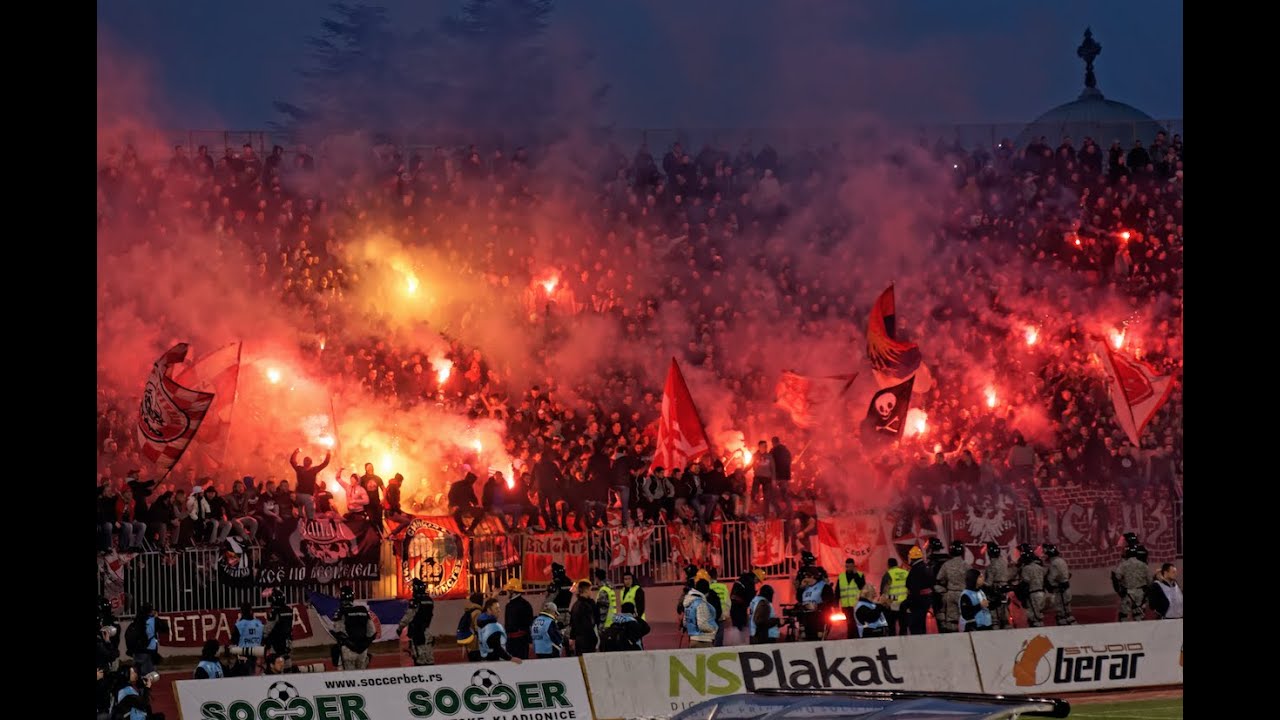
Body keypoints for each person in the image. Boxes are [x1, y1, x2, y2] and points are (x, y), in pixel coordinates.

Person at [331, 586, 375, 670]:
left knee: (348, 678)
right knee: (362, 676)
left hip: (348, 650)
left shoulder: (341, 612)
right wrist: (363, 644)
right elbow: (372, 631)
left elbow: (339, 631)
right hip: (363, 650)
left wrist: (350, 644)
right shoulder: (363, 610)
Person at [397, 578, 435, 666]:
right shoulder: (429, 600)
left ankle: (421, 676)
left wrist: (400, 628)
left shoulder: (415, 601)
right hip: (427, 630)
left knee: (419, 656)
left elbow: (408, 616)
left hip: (417, 631)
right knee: (429, 656)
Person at [935, 540, 969, 633]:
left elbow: (939, 578)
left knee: (952, 621)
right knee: (966, 619)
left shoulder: (946, 565)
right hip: (963, 595)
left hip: (950, 594)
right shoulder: (966, 565)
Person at [288, 448, 331, 522]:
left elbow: (292, 461)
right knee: (310, 517)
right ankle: (309, 524)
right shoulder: (312, 470)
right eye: (306, 460)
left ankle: (302, 523)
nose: (306, 461)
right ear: (311, 463)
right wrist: (328, 453)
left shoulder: (300, 469)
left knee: (301, 515)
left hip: (299, 495)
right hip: (307, 496)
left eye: (307, 460)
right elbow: (325, 463)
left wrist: (296, 452)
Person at [1113, 544, 1153, 621]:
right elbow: (1150, 581)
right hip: (1140, 593)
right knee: (1139, 616)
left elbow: (1117, 577)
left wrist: (1120, 590)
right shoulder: (1143, 565)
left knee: (1124, 616)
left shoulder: (1123, 565)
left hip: (1127, 593)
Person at [477, 598, 521, 663]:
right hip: (496, 662)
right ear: (489, 610)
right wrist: (511, 658)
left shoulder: (482, 623)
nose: (499, 610)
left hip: (484, 659)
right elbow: (497, 648)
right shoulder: (493, 627)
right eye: (496, 608)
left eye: (499, 608)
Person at [1042, 543, 1076, 625]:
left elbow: (1052, 577)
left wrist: (1047, 584)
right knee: (1067, 610)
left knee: (1061, 612)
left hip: (1060, 591)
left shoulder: (1054, 563)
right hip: (1066, 588)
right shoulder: (1062, 560)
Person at [1015, 543, 1048, 627]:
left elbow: (1025, 582)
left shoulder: (1026, 568)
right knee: (1038, 614)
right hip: (1041, 592)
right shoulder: (1039, 565)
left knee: (1033, 616)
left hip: (1032, 593)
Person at [982, 542, 1013, 629]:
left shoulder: (991, 566)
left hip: (995, 592)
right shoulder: (1004, 562)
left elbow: (989, 583)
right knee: (1005, 616)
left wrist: (980, 582)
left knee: (994, 618)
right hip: (1005, 591)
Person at [904, 546, 935, 635]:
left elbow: (914, 588)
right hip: (925, 600)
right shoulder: (925, 567)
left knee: (916, 627)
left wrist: (909, 603)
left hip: (917, 602)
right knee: (921, 626)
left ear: (911, 558)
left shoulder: (916, 570)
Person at [797, 571, 835, 641]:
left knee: (819, 639)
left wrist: (817, 606)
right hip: (807, 618)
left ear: (812, 577)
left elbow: (830, 601)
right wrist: (801, 588)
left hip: (820, 618)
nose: (804, 580)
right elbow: (799, 599)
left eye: (806, 577)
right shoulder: (805, 588)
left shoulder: (824, 586)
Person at [683, 579, 719, 649]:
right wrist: (714, 629)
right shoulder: (701, 603)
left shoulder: (689, 603)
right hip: (703, 641)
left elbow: (685, 623)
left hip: (692, 640)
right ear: (707, 591)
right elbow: (702, 625)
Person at [263, 590, 295, 669]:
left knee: (273, 666)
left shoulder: (275, 612)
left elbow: (267, 629)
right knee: (287, 663)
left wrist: (263, 639)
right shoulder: (289, 610)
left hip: (276, 643)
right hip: (287, 641)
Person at [230, 602, 264, 675]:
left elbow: (234, 641)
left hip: (244, 658)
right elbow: (263, 638)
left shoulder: (239, 625)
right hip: (257, 656)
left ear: (241, 612)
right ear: (251, 611)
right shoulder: (259, 623)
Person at [836, 558, 867, 639]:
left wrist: (855, 574)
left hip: (857, 605)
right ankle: (851, 638)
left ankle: (857, 637)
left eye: (850, 566)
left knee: (857, 623)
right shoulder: (841, 576)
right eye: (847, 566)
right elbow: (837, 591)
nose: (848, 568)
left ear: (854, 566)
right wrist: (836, 604)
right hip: (846, 605)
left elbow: (862, 586)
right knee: (849, 623)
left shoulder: (860, 575)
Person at [503, 578, 534, 659]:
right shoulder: (511, 605)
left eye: (508, 590)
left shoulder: (524, 605)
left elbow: (529, 625)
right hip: (512, 641)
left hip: (521, 642)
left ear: (512, 591)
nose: (507, 592)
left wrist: (529, 641)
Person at [728, 570, 759, 646]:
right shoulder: (750, 583)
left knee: (736, 626)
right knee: (741, 627)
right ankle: (740, 645)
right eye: (757, 580)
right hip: (740, 608)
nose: (757, 582)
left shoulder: (741, 579)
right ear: (755, 577)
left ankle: (735, 643)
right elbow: (750, 599)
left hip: (733, 606)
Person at [880, 558, 909, 636]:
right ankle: (903, 644)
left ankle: (894, 644)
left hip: (892, 605)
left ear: (888, 565)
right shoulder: (906, 573)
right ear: (896, 564)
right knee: (903, 626)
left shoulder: (888, 574)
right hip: (904, 604)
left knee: (891, 627)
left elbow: (883, 591)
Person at [570, 581, 599, 654]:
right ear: (586, 590)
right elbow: (591, 622)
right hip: (588, 639)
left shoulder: (575, 605)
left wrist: (572, 637)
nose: (591, 592)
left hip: (578, 640)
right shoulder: (586, 606)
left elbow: (572, 624)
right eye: (590, 590)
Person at [456, 592, 484, 662]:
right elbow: (478, 628)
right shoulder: (478, 612)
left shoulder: (469, 611)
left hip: (469, 643)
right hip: (476, 644)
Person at [706, 569, 730, 646]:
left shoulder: (708, 587)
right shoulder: (723, 587)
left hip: (710, 615)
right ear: (717, 576)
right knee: (719, 636)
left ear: (708, 577)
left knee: (710, 636)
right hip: (721, 615)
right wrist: (726, 614)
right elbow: (727, 601)